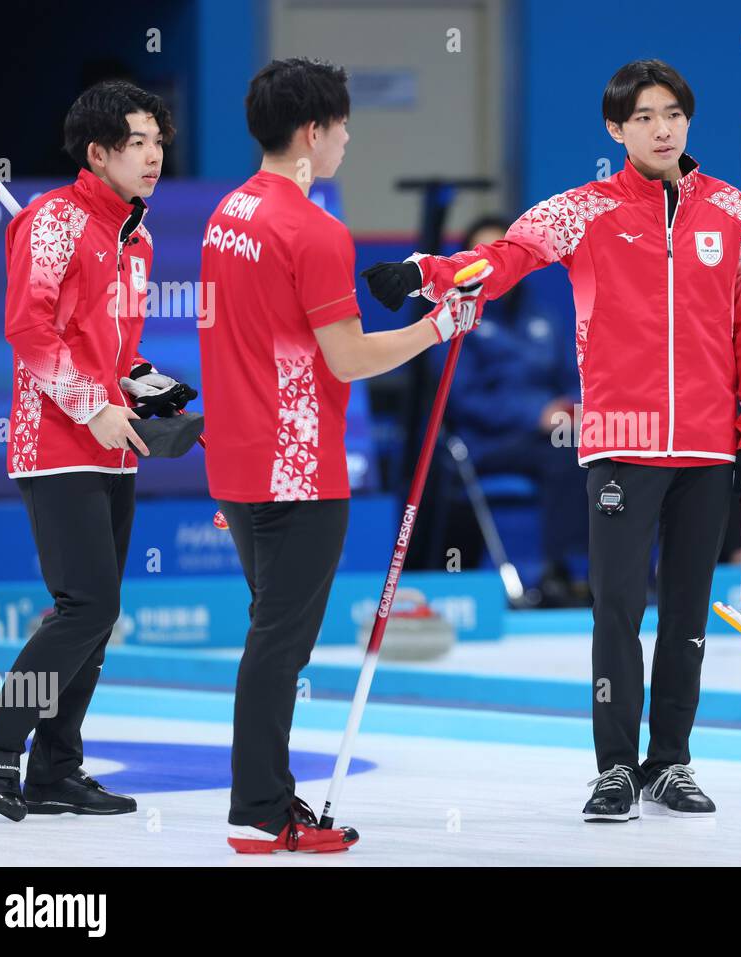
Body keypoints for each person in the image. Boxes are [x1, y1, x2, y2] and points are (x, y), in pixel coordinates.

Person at [363, 59, 741, 822]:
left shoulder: (733, 211)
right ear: (616, 130)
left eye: (674, 114)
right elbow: (507, 257)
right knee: (617, 607)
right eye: (645, 117)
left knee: (687, 610)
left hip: (709, 446)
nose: (662, 128)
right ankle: (616, 765)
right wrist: (431, 272)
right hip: (620, 442)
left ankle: (671, 761)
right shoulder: (583, 209)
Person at [199, 57, 487, 854]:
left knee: (272, 636)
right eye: (344, 125)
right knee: (279, 643)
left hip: (240, 460)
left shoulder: (226, 213)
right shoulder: (313, 227)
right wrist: (438, 327)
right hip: (295, 462)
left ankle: (269, 796)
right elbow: (350, 359)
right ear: (311, 132)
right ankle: (260, 806)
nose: (349, 139)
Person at [0, 81, 191, 820]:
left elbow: (114, 350)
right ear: (98, 152)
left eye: (159, 142)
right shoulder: (53, 221)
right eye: (137, 143)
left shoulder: (139, 240)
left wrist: (152, 391)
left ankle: (57, 768)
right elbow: (30, 334)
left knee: (98, 611)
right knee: (85, 603)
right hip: (56, 442)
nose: (154, 156)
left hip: (114, 442)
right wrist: (90, 406)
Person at [435, 215, 588, 605]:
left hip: (547, 433)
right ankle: (558, 572)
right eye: (483, 254)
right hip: (485, 442)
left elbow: (573, 376)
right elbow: (461, 397)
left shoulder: (542, 316)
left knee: (606, 448)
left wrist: (575, 407)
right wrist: (535, 412)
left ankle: (623, 574)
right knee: (564, 451)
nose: (493, 263)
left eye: (502, 253)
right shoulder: (454, 318)